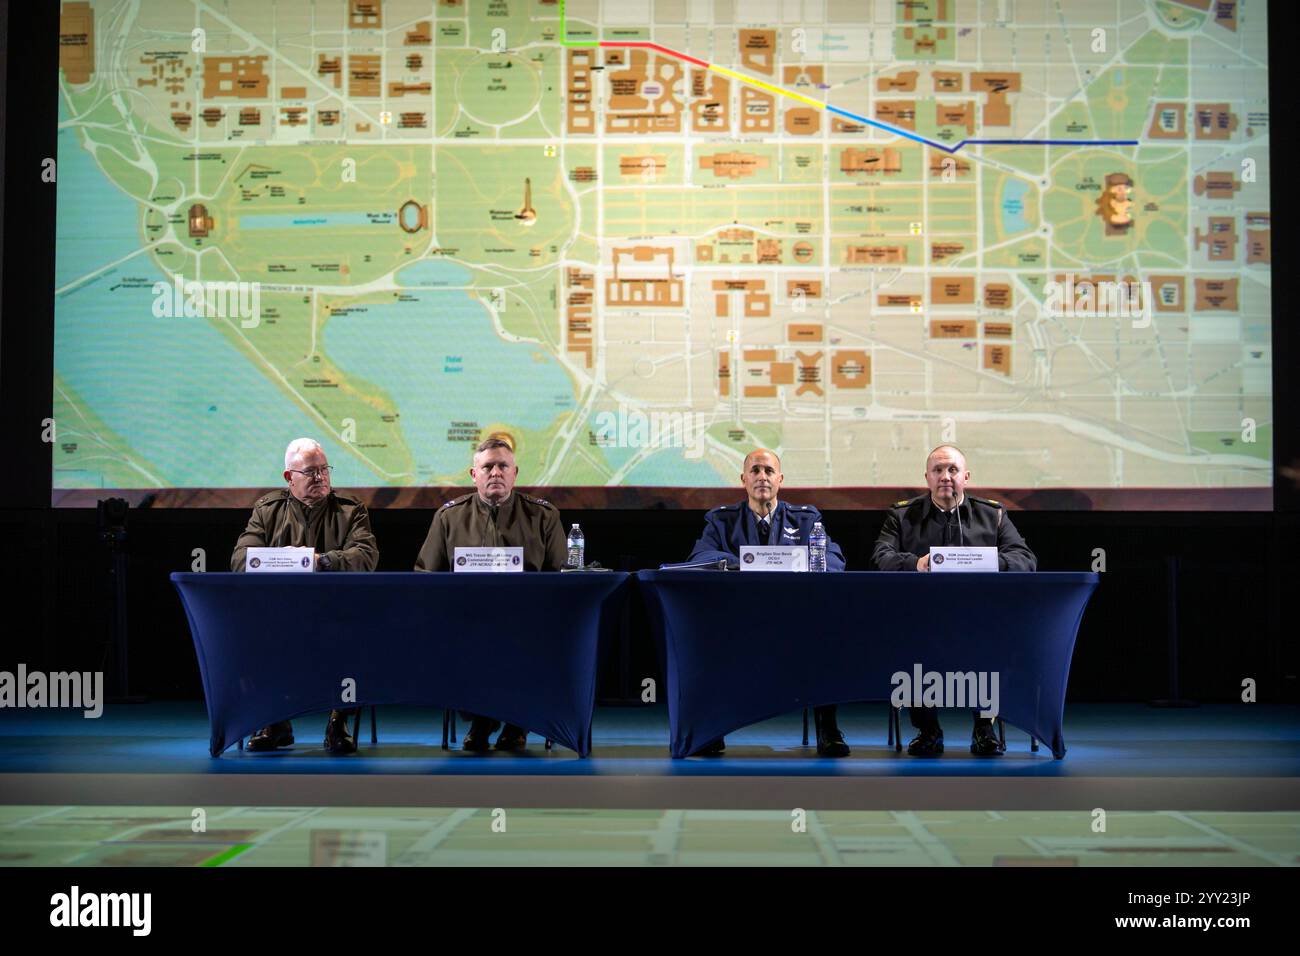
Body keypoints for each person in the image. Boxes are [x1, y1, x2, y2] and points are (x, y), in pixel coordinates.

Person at [871, 444, 1036, 756]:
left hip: (980, 617)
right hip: (921, 618)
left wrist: (987, 562)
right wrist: (915, 564)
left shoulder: (993, 515)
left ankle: (984, 730)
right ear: (927, 478)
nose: (945, 476)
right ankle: (928, 731)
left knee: (990, 642)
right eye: (938, 471)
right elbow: (881, 556)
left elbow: (1025, 559)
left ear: (966, 477)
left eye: (952, 470)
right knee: (912, 643)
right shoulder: (902, 515)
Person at [686, 448, 850, 757]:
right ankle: (713, 730)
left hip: (796, 619)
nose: (763, 477)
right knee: (703, 639)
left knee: (826, 639)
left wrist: (799, 561)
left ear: (780, 479)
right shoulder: (721, 520)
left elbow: (833, 559)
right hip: (738, 621)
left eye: (769, 471)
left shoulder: (806, 519)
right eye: (756, 471)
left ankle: (828, 730)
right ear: (744, 479)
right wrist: (745, 564)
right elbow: (701, 557)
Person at [414, 437, 568, 751]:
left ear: (515, 473)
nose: (495, 472)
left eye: (502, 466)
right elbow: (425, 576)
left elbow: (562, 575)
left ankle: (517, 722)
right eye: (487, 467)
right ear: (474, 474)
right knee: (461, 642)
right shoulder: (449, 517)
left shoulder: (543, 516)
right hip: (466, 619)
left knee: (528, 640)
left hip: (527, 620)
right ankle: (481, 718)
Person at [231, 438, 379, 755]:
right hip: (280, 613)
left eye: (324, 470)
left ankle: (339, 721)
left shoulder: (351, 511)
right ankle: (275, 720)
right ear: (289, 477)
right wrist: (286, 561)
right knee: (254, 635)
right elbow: (242, 560)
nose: (320, 478)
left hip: (336, 613)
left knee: (354, 636)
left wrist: (320, 562)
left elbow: (366, 557)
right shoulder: (267, 511)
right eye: (311, 471)